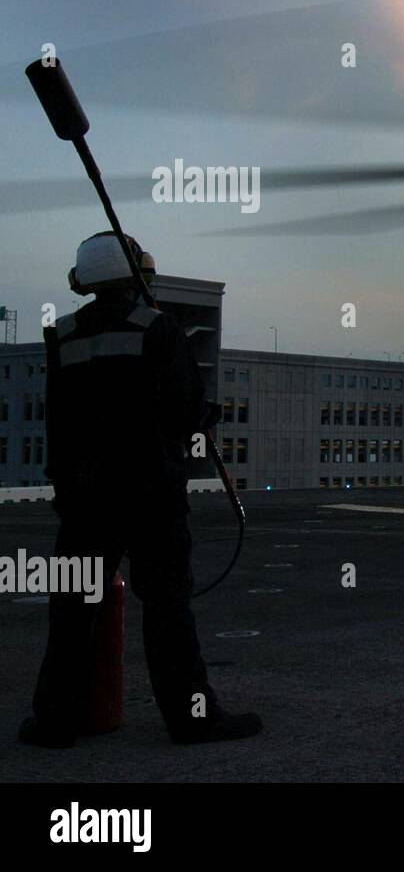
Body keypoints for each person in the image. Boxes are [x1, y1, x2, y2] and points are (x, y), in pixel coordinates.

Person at [19, 232, 262, 747]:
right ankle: (191, 719)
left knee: (72, 609)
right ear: (137, 278)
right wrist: (204, 415)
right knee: (167, 608)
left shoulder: (61, 335)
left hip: (85, 497)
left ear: (82, 280)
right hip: (150, 493)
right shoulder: (158, 329)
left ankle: (55, 721)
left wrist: (64, 488)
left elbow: (57, 421)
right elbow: (184, 410)